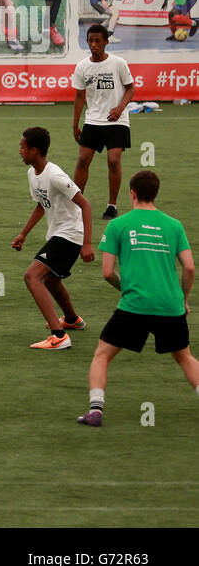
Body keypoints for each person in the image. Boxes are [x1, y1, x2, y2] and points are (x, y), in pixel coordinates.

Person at [79, 170, 197, 426]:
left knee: (102, 355)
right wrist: (184, 299)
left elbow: (107, 272)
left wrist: (125, 289)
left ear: (132, 193)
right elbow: (189, 268)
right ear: (156, 193)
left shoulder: (117, 225)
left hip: (134, 306)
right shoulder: (174, 225)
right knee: (184, 357)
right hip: (170, 305)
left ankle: (95, 411)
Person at [12, 126, 95, 350]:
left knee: (32, 276)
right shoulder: (33, 174)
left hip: (70, 235)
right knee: (51, 280)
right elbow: (42, 204)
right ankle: (72, 320)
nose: (20, 151)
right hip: (59, 234)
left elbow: (85, 205)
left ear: (35, 150)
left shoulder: (55, 175)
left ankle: (58, 336)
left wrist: (88, 243)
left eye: (22, 147)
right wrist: (23, 233)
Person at [72, 24, 134, 218]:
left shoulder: (118, 63)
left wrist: (120, 108)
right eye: (90, 41)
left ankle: (112, 205)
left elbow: (130, 88)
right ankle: (76, 205)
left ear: (106, 42)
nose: (93, 44)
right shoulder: (82, 66)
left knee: (113, 161)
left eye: (98, 41)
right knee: (82, 160)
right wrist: (75, 124)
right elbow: (79, 97)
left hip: (117, 120)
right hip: (93, 120)